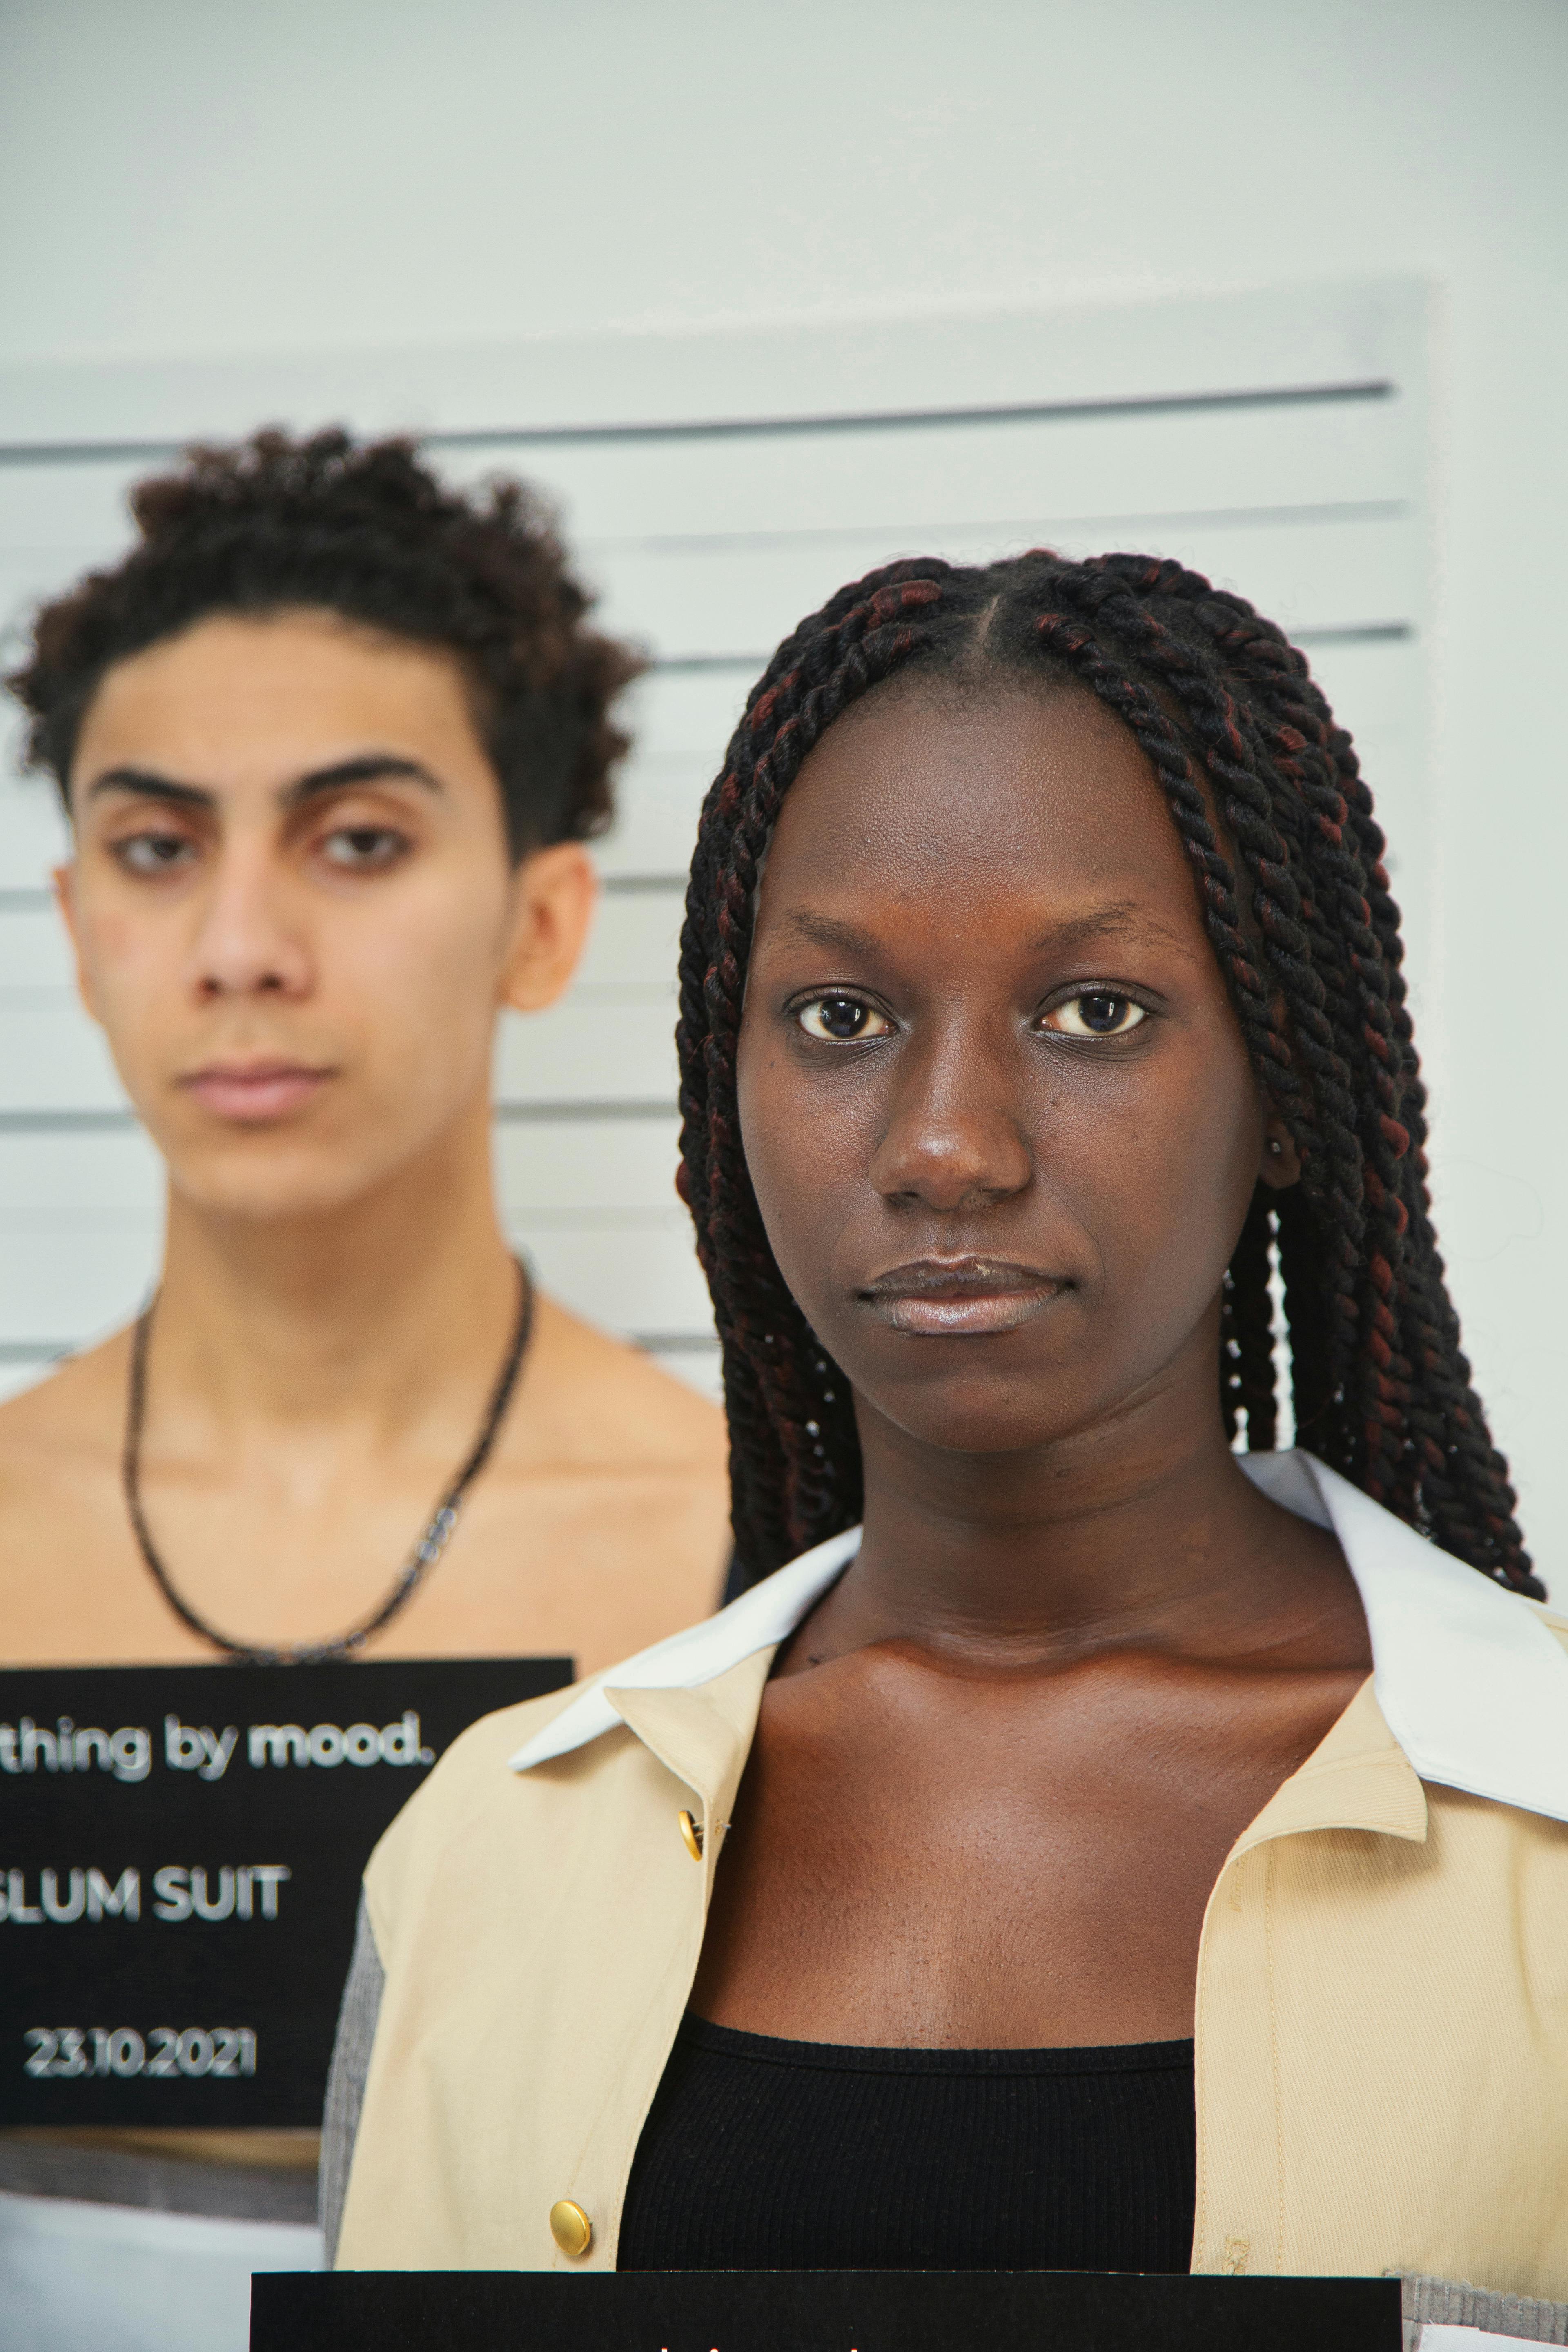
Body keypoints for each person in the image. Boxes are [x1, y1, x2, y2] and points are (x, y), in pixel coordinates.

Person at [327, 549, 1568, 2336]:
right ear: (721, 1083)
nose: (945, 1146)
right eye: (843, 1018)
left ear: (1289, 1085)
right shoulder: (486, 1858)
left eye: (1093, 1014)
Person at [0, 431, 729, 2349]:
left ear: (544, 920)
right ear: (80, 929)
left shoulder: (757, 1569)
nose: (241, 949)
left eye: (359, 839)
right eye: (159, 850)